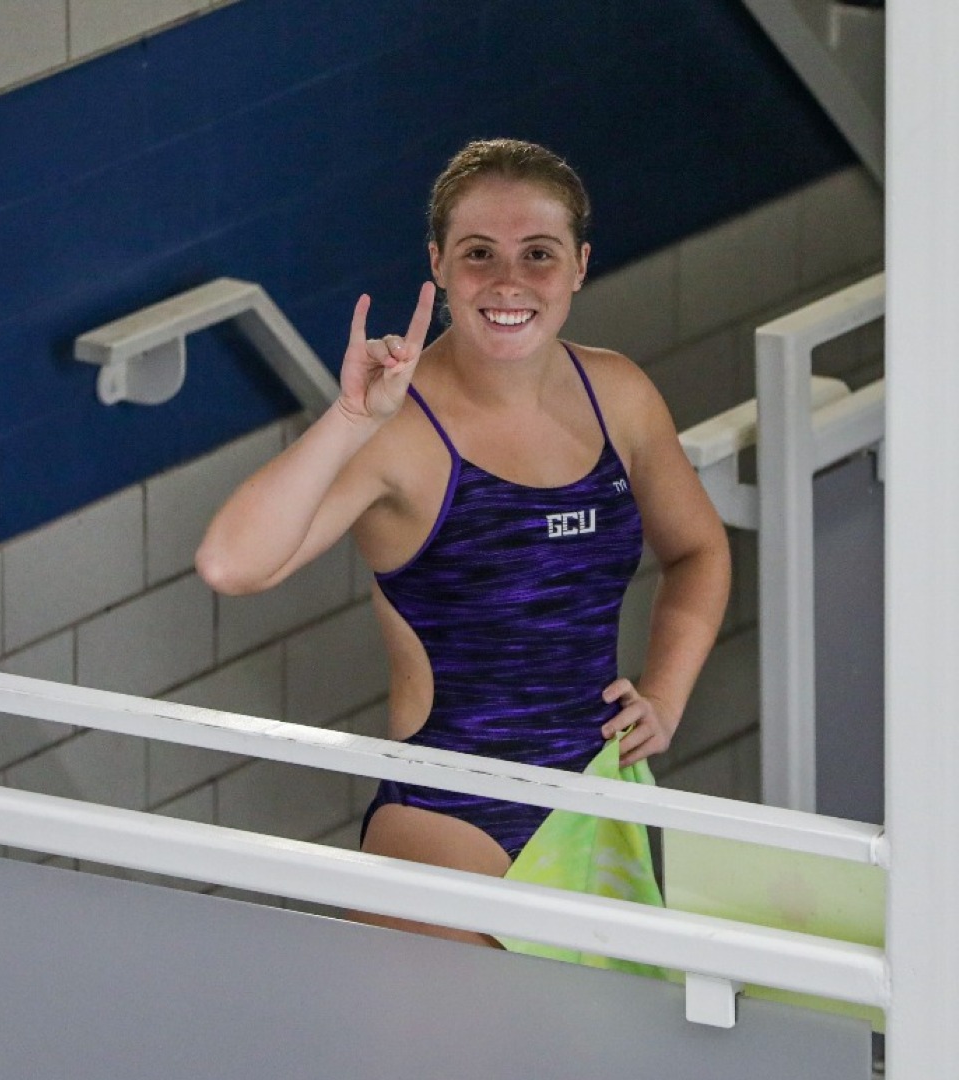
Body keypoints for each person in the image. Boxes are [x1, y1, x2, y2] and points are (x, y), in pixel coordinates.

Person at [196, 138, 729, 945]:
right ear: (437, 264)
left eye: (537, 253)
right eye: (479, 253)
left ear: (579, 266)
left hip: (593, 808)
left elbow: (698, 551)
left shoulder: (616, 392)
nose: (508, 281)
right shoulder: (398, 429)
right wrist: (349, 418)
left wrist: (666, 695)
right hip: (450, 824)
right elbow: (231, 564)